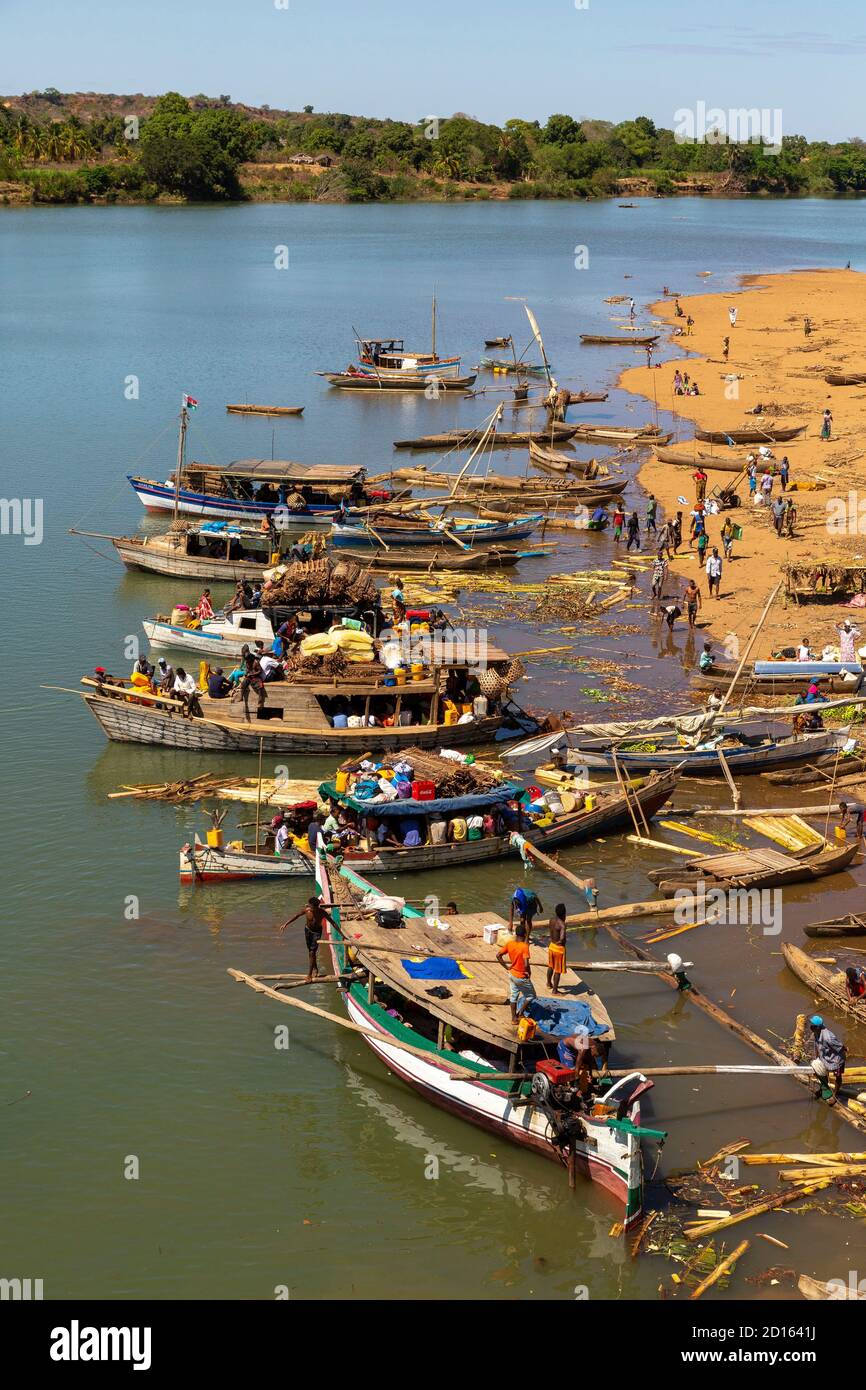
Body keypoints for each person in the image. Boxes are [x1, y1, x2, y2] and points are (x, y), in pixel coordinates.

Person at [280, 896, 338, 983]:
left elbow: (332, 922)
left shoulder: (322, 912)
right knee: (310, 952)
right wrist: (286, 924)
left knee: (312, 952)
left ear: (317, 906)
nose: (310, 908)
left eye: (312, 907)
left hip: (317, 932)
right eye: (310, 906)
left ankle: (309, 974)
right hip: (307, 930)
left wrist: (341, 933)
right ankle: (315, 968)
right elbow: (296, 916)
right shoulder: (307, 910)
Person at [496, 922, 535, 1024]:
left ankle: (514, 1018)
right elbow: (526, 963)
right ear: (525, 935)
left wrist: (506, 967)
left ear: (516, 934)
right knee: (531, 996)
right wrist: (529, 972)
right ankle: (520, 1013)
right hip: (521, 976)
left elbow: (498, 955)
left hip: (512, 973)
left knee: (514, 996)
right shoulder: (524, 947)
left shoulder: (510, 944)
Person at [808, 1014, 846, 1103]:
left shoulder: (829, 1037)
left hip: (836, 1060)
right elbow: (817, 1045)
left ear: (818, 1027)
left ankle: (835, 1095)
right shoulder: (816, 1032)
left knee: (838, 1076)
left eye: (812, 1026)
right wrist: (816, 1057)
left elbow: (840, 1047)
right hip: (825, 1057)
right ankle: (824, 1088)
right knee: (820, 1070)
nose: (811, 1027)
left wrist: (846, 1048)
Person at [240, 649, 267, 722]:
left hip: (256, 677)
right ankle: (241, 697)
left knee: (260, 687)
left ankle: (260, 702)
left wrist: (252, 674)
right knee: (243, 684)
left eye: (248, 659)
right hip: (249, 676)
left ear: (251, 658)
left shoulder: (256, 662)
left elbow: (259, 671)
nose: (247, 661)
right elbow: (247, 670)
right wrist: (246, 673)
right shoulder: (247, 662)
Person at [546, 903, 567, 993]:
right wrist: (561, 942)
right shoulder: (562, 924)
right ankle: (555, 990)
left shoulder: (551, 920)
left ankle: (548, 983)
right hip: (559, 949)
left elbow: (551, 931)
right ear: (564, 914)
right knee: (557, 970)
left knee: (551, 966)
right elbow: (562, 939)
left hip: (551, 946)